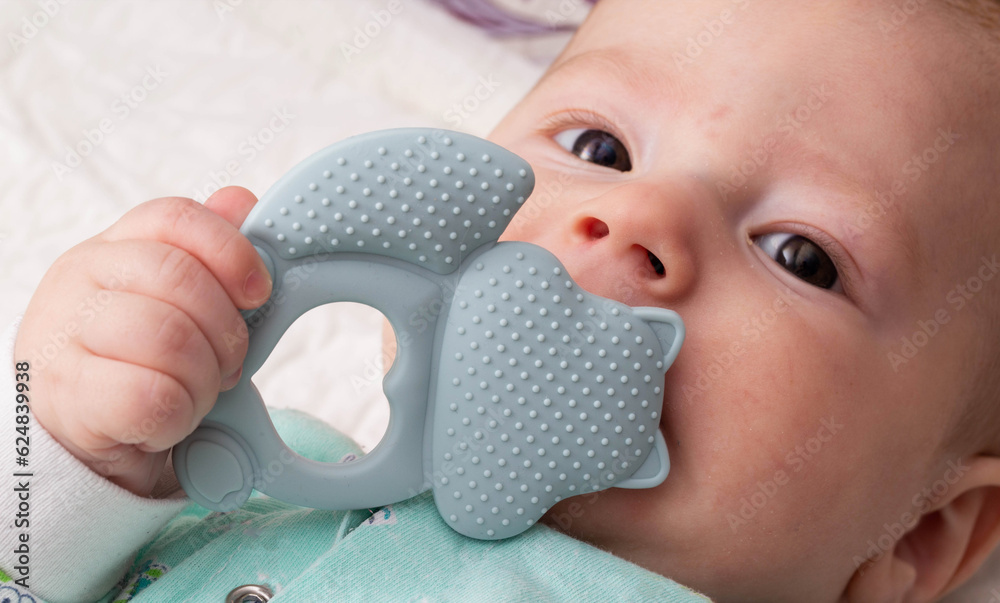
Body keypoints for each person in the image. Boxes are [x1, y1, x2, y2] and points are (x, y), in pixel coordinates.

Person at [4, 0, 1000, 601]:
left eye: (799, 254)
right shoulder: (254, 464)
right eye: (597, 149)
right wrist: (74, 457)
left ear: (915, 538)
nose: (641, 214)